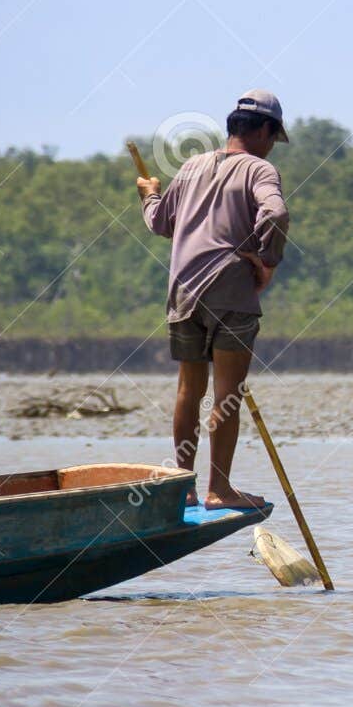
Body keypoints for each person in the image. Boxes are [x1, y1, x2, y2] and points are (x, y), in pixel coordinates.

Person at [137, 90, 290, 509]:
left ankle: (183, 487)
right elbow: (274, 214)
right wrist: (266, 261)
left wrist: (149, 192)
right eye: (274, 137)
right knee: (227, 394)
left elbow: (160, 222)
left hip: (183, 291)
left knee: (189, 390)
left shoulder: (190, 168)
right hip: (231, 290)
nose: (273, 145)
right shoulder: (260, 171)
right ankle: (218, 490)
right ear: (262, 130)